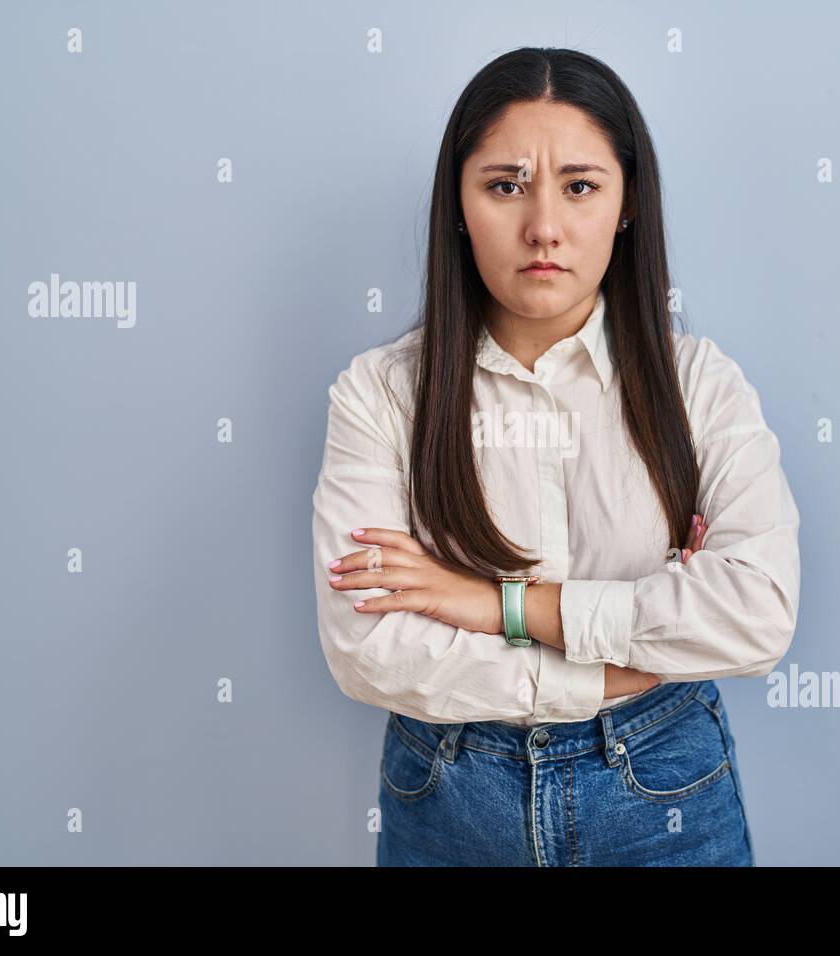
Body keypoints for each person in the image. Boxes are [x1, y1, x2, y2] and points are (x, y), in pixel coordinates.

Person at [311, 47, 800, 866]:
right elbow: (369, 650)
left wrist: (494, 604)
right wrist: (605, 669)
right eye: (505, 186)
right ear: (460, 206)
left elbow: (755, 613)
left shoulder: (701, 387)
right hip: (450, 793)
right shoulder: (381, 394)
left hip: (662, 785)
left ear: (627, 202)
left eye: (580, 186)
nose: (544, 227)